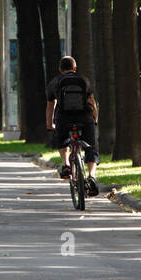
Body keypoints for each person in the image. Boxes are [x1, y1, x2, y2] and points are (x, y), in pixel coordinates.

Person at [45, 56, 99, 196]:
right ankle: (92, 176)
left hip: (64, 118)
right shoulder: (84, 80)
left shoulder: (54, 83)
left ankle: (66, 165)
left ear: (60, 69)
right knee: (91, 146)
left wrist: (50, 124)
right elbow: (92, 102)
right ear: (74, 68)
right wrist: (95, 119)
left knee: (61, 138)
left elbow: (51, 106)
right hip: (84, 117)